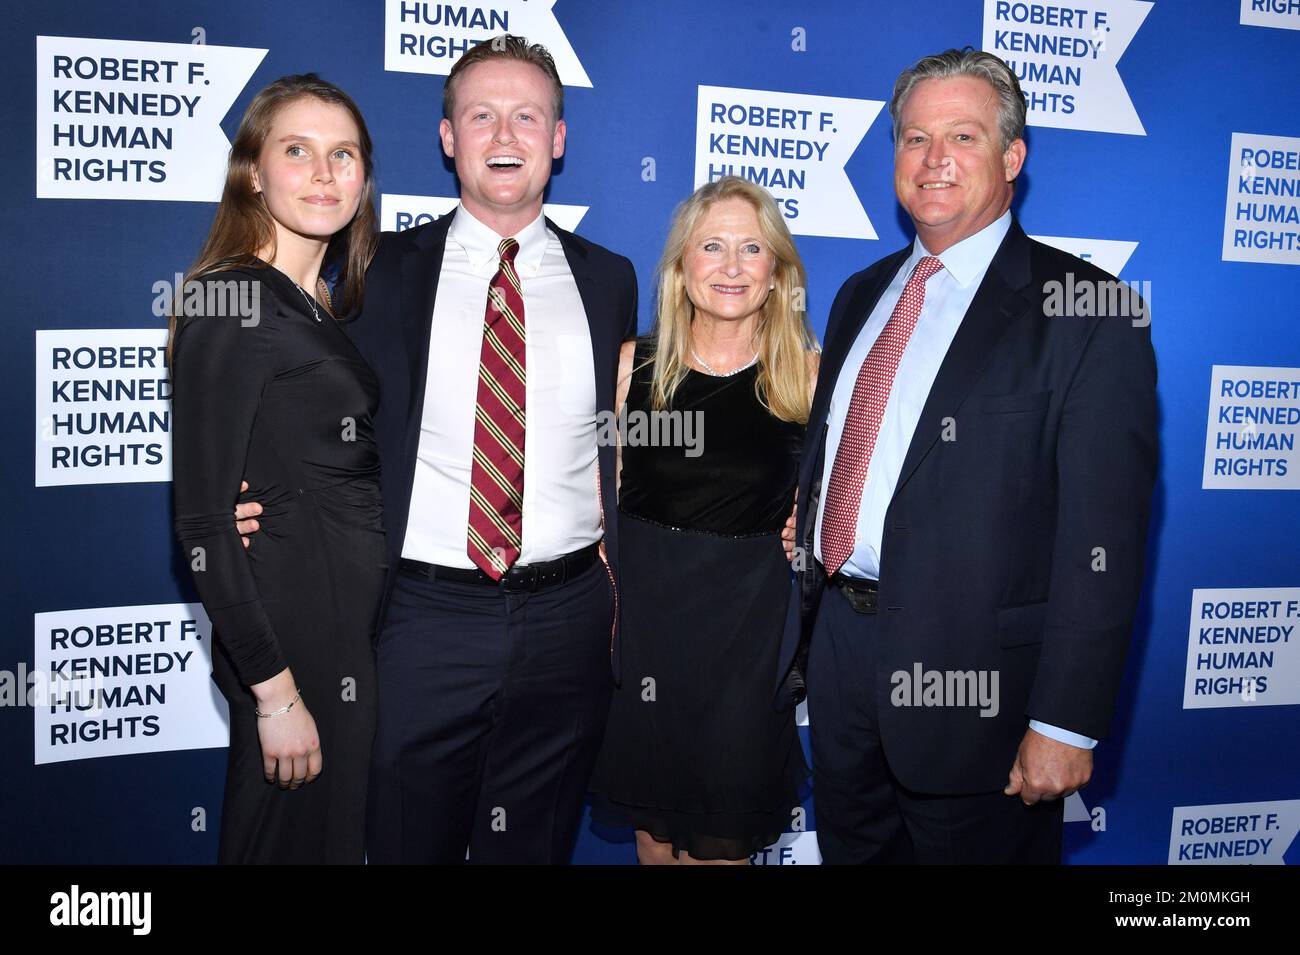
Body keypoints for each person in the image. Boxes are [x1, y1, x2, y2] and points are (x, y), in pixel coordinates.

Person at [241, 36, 638, 863]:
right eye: (480, 115)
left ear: (558, 139)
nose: (505, 135)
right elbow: (303, 397)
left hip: (570, 621)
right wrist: (252, 494)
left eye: (528, 116)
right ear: (448, 137)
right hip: (419, 620)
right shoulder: (374, 268)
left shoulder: (611, 279)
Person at [776, 49, 1158, 864]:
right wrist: (813, 522)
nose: (934, 160)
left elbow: (1105, 545)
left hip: (982, 694)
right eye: (915, 139)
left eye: (963, 136)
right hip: (842, 660)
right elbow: (857, 454)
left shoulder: (1090, 312)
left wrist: (1063, 722)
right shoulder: (859, 294)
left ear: (1012, 158)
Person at [170, 74, 381, 864]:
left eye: (344, 155)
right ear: (253, 171)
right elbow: (199, 524)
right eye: (298, 151)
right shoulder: (235, 302)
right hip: (295, 652)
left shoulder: (317, 301)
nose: (325, 174)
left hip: (343, 642)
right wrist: (275, 692)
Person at [589, 176, 816, 865]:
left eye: (752, 248)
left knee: (722, 844)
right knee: (654, 845)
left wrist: (812, 517)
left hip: (746, 648)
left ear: (776, 273)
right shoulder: (633, 368)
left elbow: (852, 499)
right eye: (711, 246)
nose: (731, 265)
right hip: (648, 637)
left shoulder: (806, 376)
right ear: (681, 266)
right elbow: (599, 497)